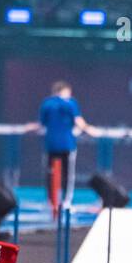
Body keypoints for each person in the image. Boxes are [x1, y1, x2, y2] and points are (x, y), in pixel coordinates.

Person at [37, 81, 98, 209]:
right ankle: (66, 202)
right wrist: (90, 130)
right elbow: (79, 122)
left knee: (50, 174)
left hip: (51, 145)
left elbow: (41, 125)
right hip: (67, 145)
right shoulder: (70, 103)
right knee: (68, 175)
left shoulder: (46, 104)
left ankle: (51, 202)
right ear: (66, 91)